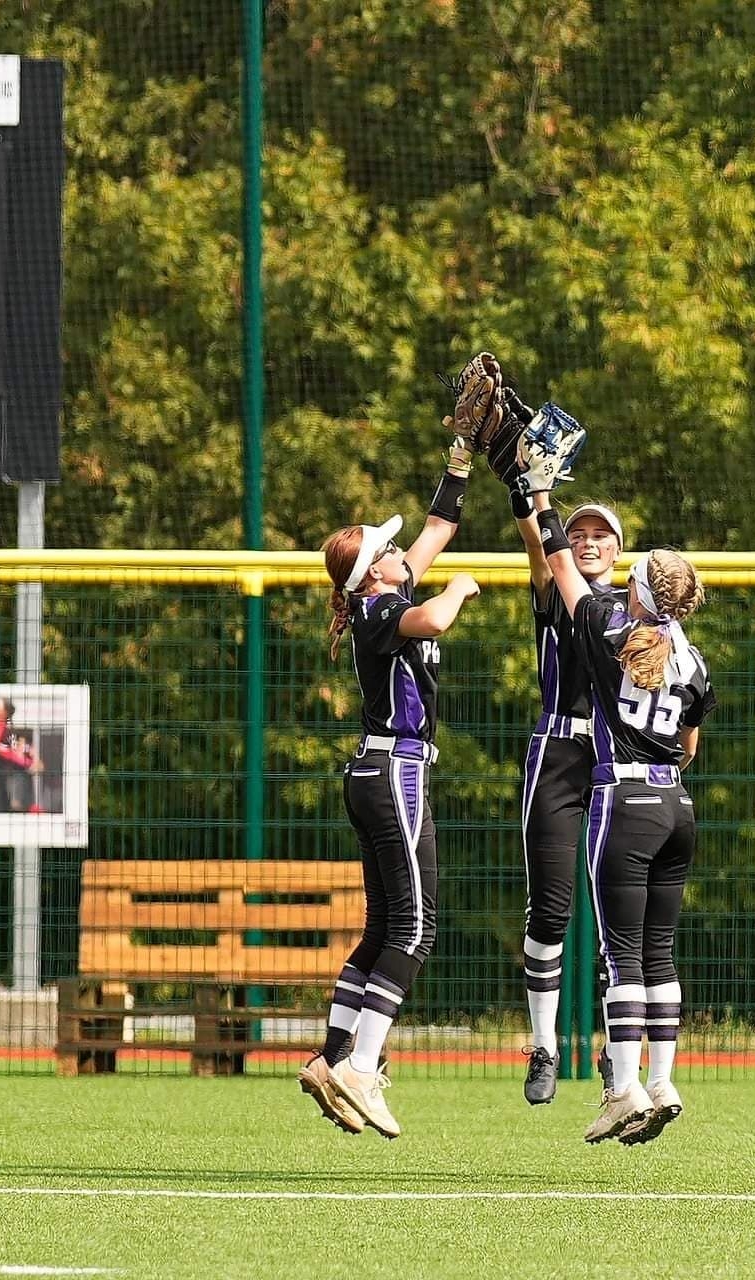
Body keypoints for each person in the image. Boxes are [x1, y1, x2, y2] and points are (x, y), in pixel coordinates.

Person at [514, 492, 715, 1146]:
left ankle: (621, 1089)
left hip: (624, 800)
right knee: (661, 952)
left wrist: (537, 493)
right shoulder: (693, 660)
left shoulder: (609, 628)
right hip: (677, 806)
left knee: (620, 953)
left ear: (637, 587)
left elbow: (560, 563)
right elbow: (689, 743)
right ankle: (663, 1081)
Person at [297, 436, 481, 1140]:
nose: (397, 552)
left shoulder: (385, 592)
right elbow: (434, 617)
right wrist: (460, 587)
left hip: (381, 771)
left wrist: (460, 461)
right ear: (367, 576)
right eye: (383, 550)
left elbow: (439, 526)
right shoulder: (379, 611)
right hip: (396, 769)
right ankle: (361, 1068)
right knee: (415, 927)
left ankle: (331, 1057)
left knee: (382, 928)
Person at [507, 496, 626, 1104]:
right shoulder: (556, 589)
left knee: (616, 916)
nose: (587, 540)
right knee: (550, 908)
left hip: (614, 757)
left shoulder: (633, 608)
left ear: (618, 548)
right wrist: (530, 486)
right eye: (577, 532)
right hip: (555, 751)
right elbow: (536, 541)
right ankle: (545, 1045)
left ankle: (616, 1049)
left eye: (600, 533)